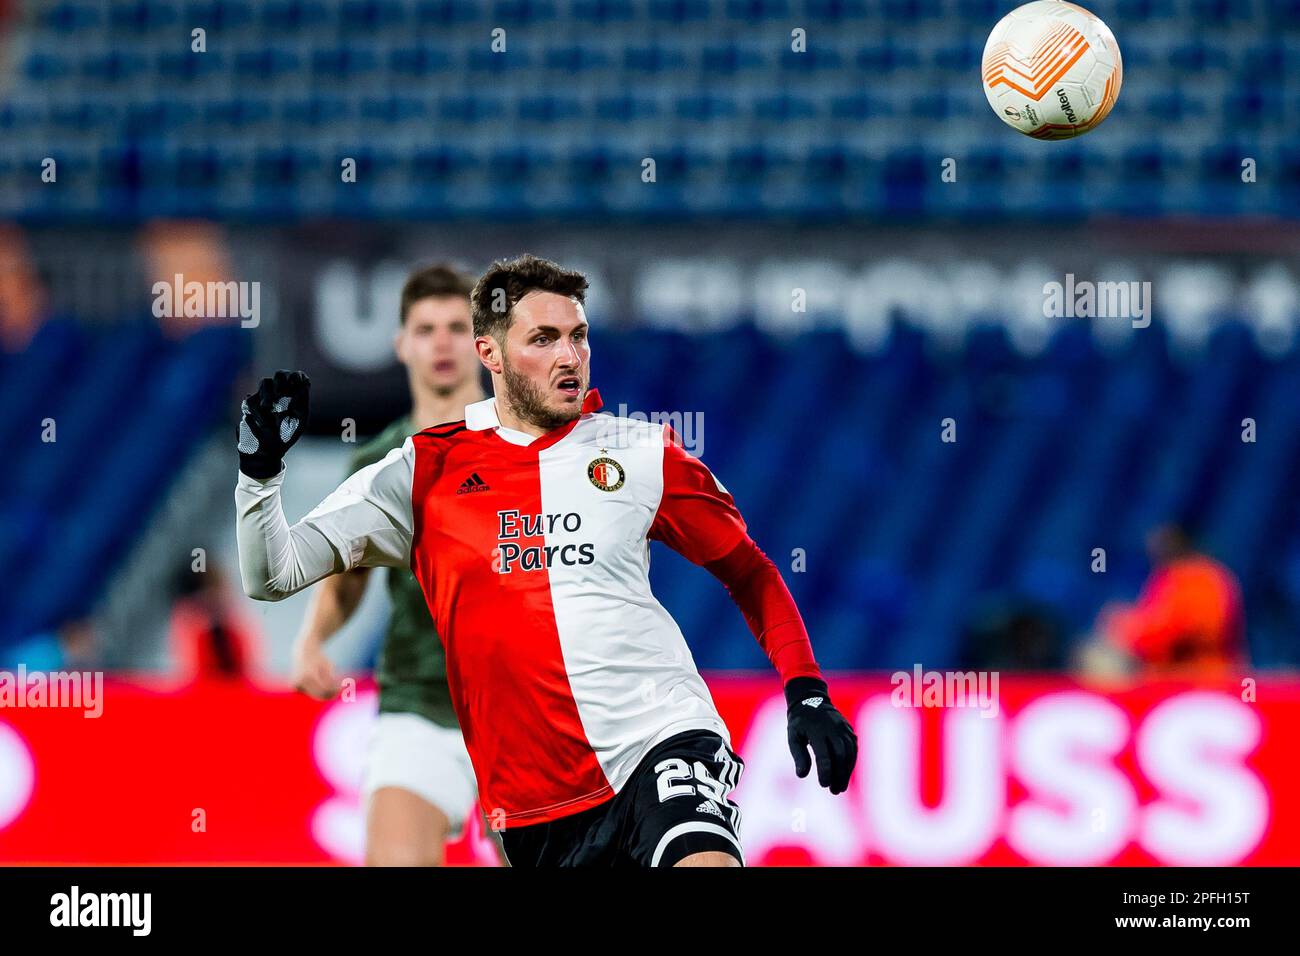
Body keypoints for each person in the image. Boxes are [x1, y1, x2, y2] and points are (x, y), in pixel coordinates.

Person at [235, 254, 857, 867]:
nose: (570, 356)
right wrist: (259, 477)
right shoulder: (422, 468)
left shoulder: (641, 452)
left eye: (578, 336)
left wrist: (804, 691)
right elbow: (275, 575)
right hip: (534, 806)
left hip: (660, 737)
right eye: (545, 339)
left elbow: (747, 569)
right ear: (492, 355)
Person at [288, 263, 487, 867]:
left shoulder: (536, 447)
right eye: (427, 329)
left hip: (526, 711)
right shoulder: (377, 463)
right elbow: (350, 580)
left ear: (484, 343)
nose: (443, 342)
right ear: (402, 343)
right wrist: (311, 640)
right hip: (418, 704)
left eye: (458, 327)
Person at [1094, 524, 1246, 677]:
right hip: (1174, 678)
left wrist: (1127, 627)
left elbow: (1179, 628)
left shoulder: (1197, 578)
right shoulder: (1172, 576)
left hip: (1199, 681)